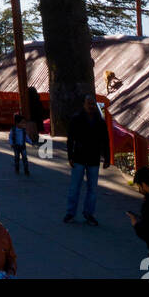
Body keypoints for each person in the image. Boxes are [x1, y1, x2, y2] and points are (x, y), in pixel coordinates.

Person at [64, 95, 110, 225]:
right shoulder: (76, 119)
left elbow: (105, 140)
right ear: (84, 104)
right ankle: (70, 213)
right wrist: (70, 156)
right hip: (78, 157)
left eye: (93, 104)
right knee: (74, 187)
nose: (91, 106)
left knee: (93, 189)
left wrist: (107, 157)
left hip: (94, 158)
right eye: (88, 104)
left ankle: (89, 213)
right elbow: (70, 140)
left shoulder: (100, 122)